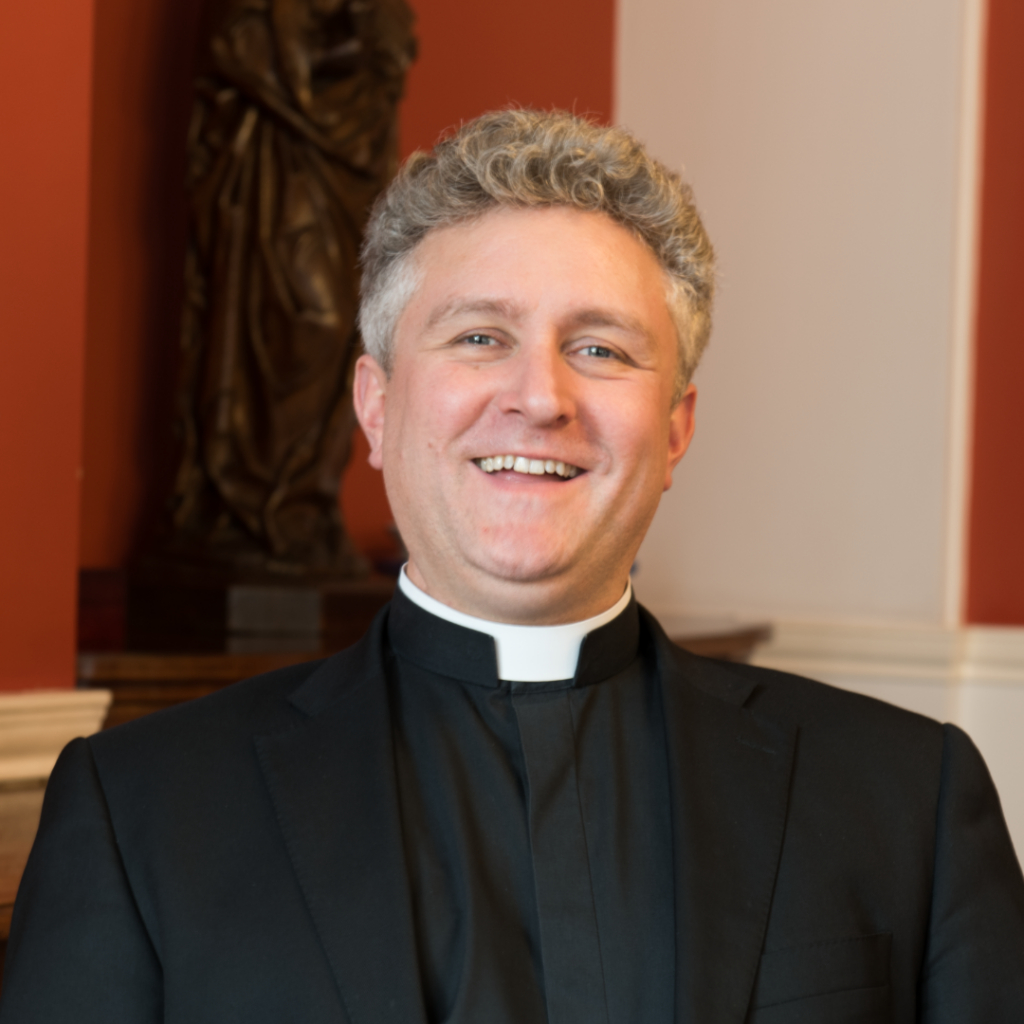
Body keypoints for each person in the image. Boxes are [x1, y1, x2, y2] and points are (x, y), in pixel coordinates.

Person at [3, 110, 1023, 1024]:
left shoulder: (906, 799)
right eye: (480, 335)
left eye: (602, 350)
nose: (539, 397)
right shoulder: (142, 810)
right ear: (374, 405)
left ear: (674, 429)